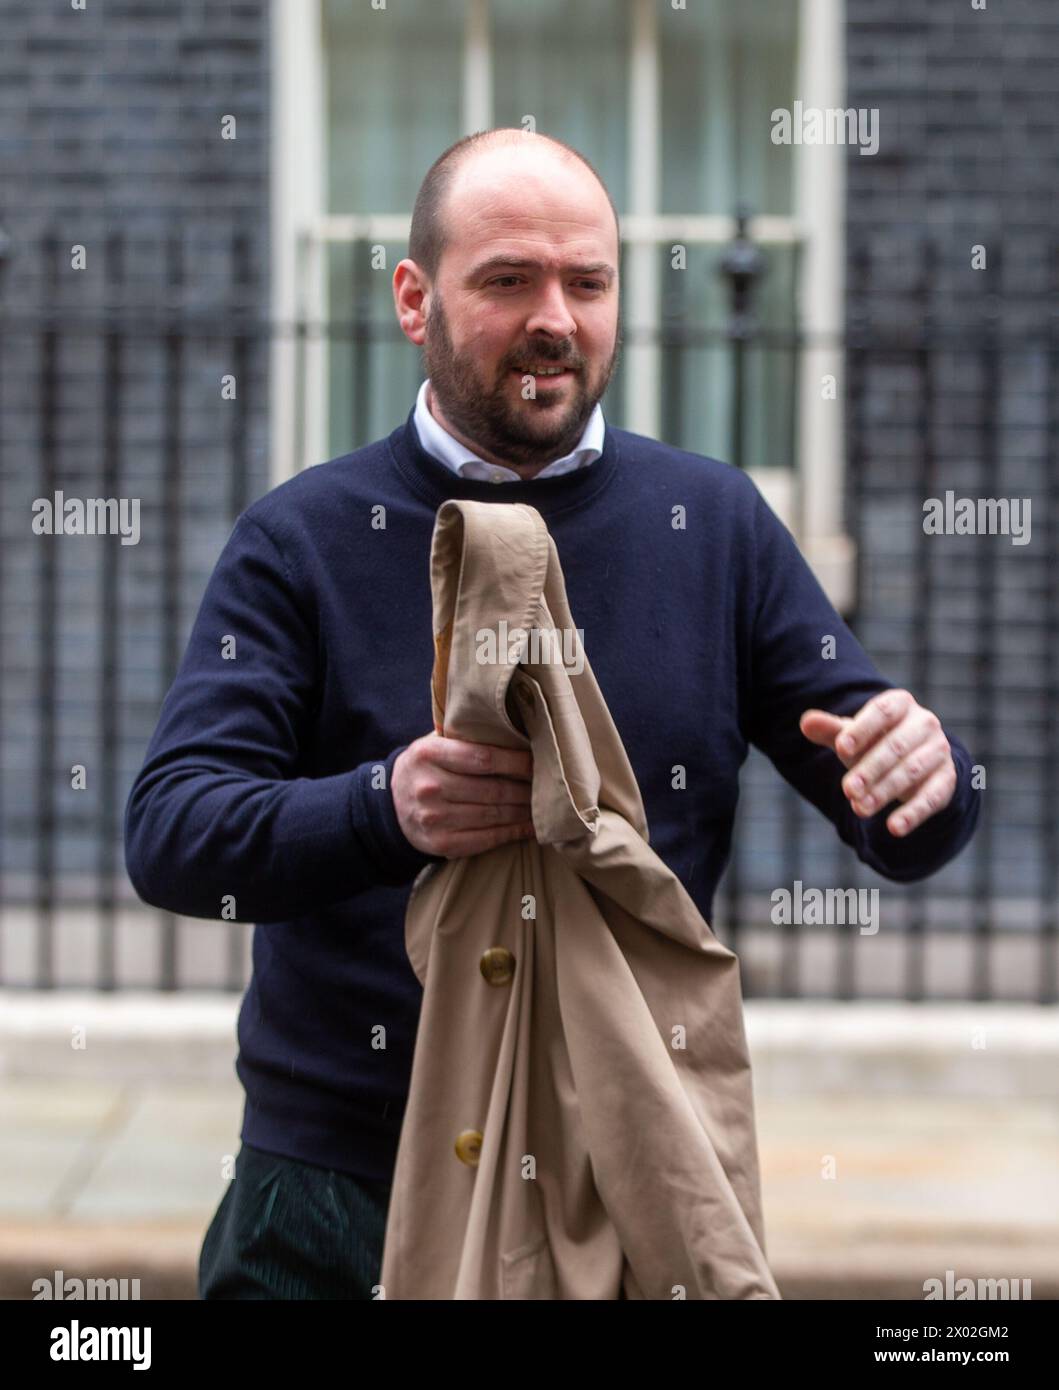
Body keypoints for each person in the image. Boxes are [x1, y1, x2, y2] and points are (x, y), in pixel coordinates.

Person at [123, 128, 980, 1300]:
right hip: (336, 1194)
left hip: (622, 1179)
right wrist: (388, 807)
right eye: (509, 280)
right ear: (414, 300)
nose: (557, 319)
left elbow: (891, 803)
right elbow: (174, 834)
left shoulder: (713, 523)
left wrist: (927, 774)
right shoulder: (300, 537)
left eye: (588, 281)